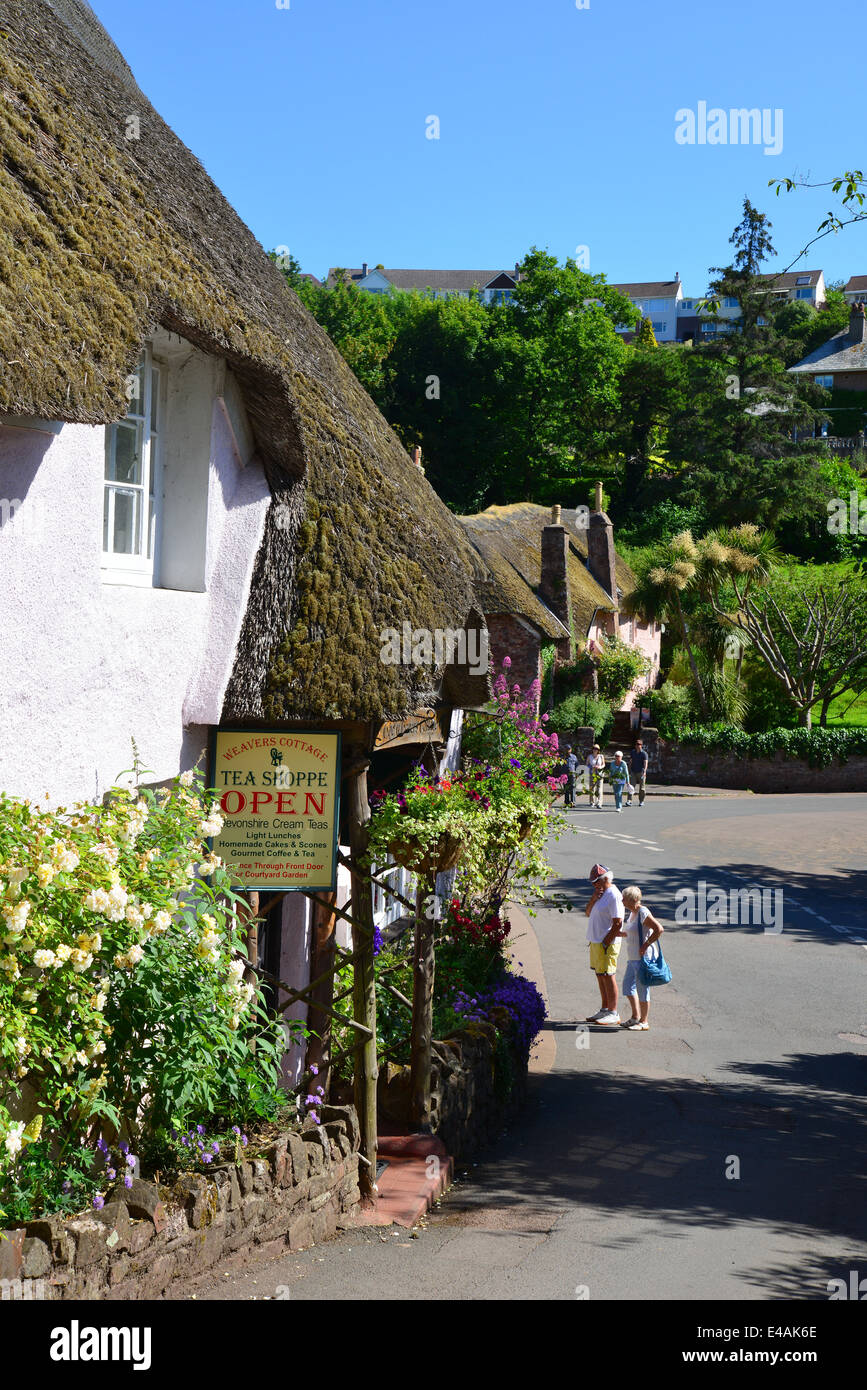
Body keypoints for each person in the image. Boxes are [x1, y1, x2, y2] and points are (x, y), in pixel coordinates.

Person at [619, 885, 664, 1030]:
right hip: (633, 957)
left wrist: (645, 945)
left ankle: (644, 1022)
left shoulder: (643, 912)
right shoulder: (632, 913)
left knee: (642, 989)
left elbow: (659, 929)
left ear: (633, 900)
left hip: (643, 958)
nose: (622, 901)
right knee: (627, 986)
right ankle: (635, 1017)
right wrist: (619, 934)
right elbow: (634, 932)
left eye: (624, 898)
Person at [584, 864, 624, 1024]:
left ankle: (613, 1012)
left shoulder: (614, 895)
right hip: (596, 941)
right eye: (593, 882)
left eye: (596, 881)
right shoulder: (601, 894)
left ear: (606, 878)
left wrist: (607, 941)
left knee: (608, 975)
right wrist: (593, 898)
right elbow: (587, 913)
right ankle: (604, 1009)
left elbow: (618, 922)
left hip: (606, 943)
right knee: (600, 975)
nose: (594, 884)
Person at [627, 738, 649, 807]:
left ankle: (641, 801)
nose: (638, 745)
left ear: (641, 745)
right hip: (633, 771)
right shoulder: (633, 752)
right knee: (631, 787)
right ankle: (629, 801)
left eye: (639, 744)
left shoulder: (644, 753)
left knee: (642, 788)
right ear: (635, 745)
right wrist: (629, 770)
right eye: (637, 744)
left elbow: (645, 763)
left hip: (641, 772)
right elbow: (630, 761)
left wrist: (645, 771)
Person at [586, 744, 606, 809]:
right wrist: (591, 767)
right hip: (592, 774)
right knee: (592, 789)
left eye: (597, 749)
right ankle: (592, 802)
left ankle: (599, 803)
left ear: (598, 750)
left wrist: (599, 767)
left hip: (599, 774)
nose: (595, 750)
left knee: (599, 789)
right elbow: (587, 765)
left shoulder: (601, 756)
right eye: (594, 748)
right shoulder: (589, 756)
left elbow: (603, 765)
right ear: (592, 749)